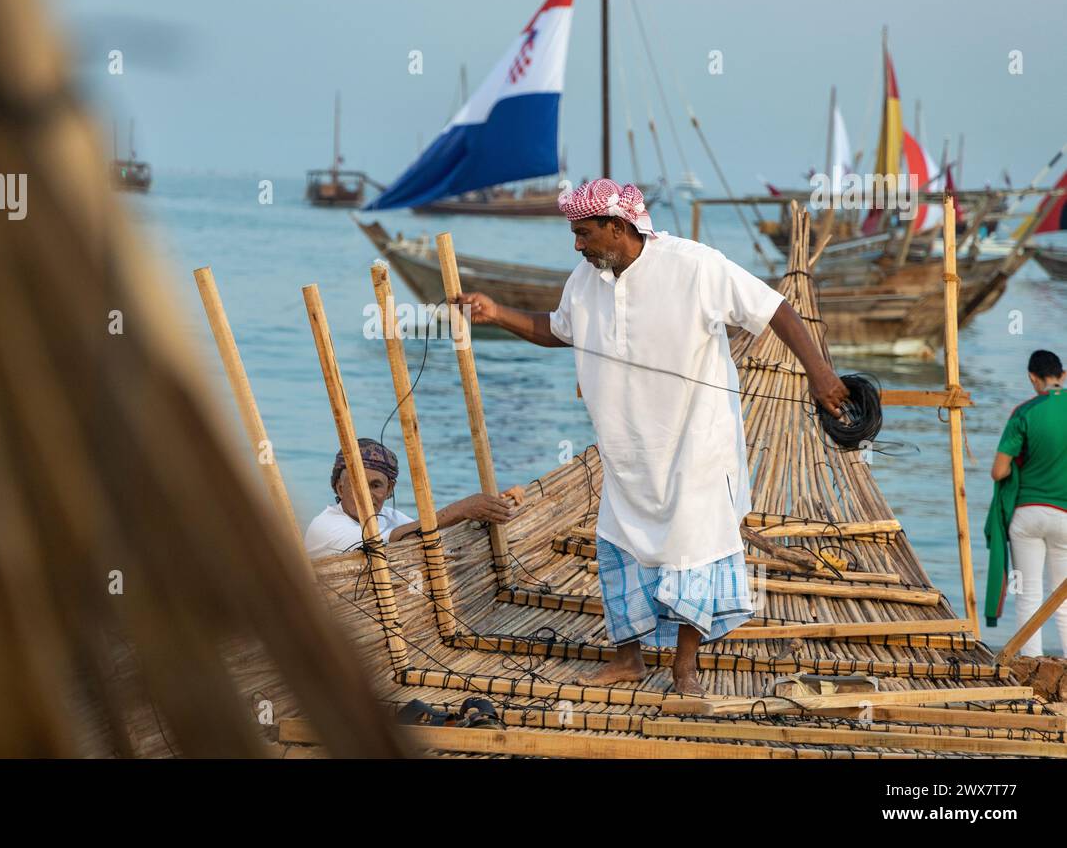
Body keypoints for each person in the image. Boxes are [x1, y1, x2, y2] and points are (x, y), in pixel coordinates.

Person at [452, 179, 848, 694]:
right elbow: (559, 329)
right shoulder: (586, 278)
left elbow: (773, 308)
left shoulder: (694, 265)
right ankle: (629, 660)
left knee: (692, 544)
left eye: (584, 233)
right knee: (619, 543)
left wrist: (820, 375)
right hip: (626, 447)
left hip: (696, 442)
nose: (577, 245)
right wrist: (496, 312)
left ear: (618, 227)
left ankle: (684, 670)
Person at [303, 438, 523, 559]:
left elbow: (433, 531)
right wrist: (462, 508)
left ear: (390, 490)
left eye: (376, 485)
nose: (366, 494)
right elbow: (395, 540)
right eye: (357, 485)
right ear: (340, 488)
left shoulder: (388, 517)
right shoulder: (326, 526)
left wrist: (497, 502)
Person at [990, 350, 1067, 656]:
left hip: (1027, 515)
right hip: (1065, 515)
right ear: (1061, 375)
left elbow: (999, 471)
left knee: (1028, 595)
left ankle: (1031, 668)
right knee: (1062, 599)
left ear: (1032, 378)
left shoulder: (1024, 412)